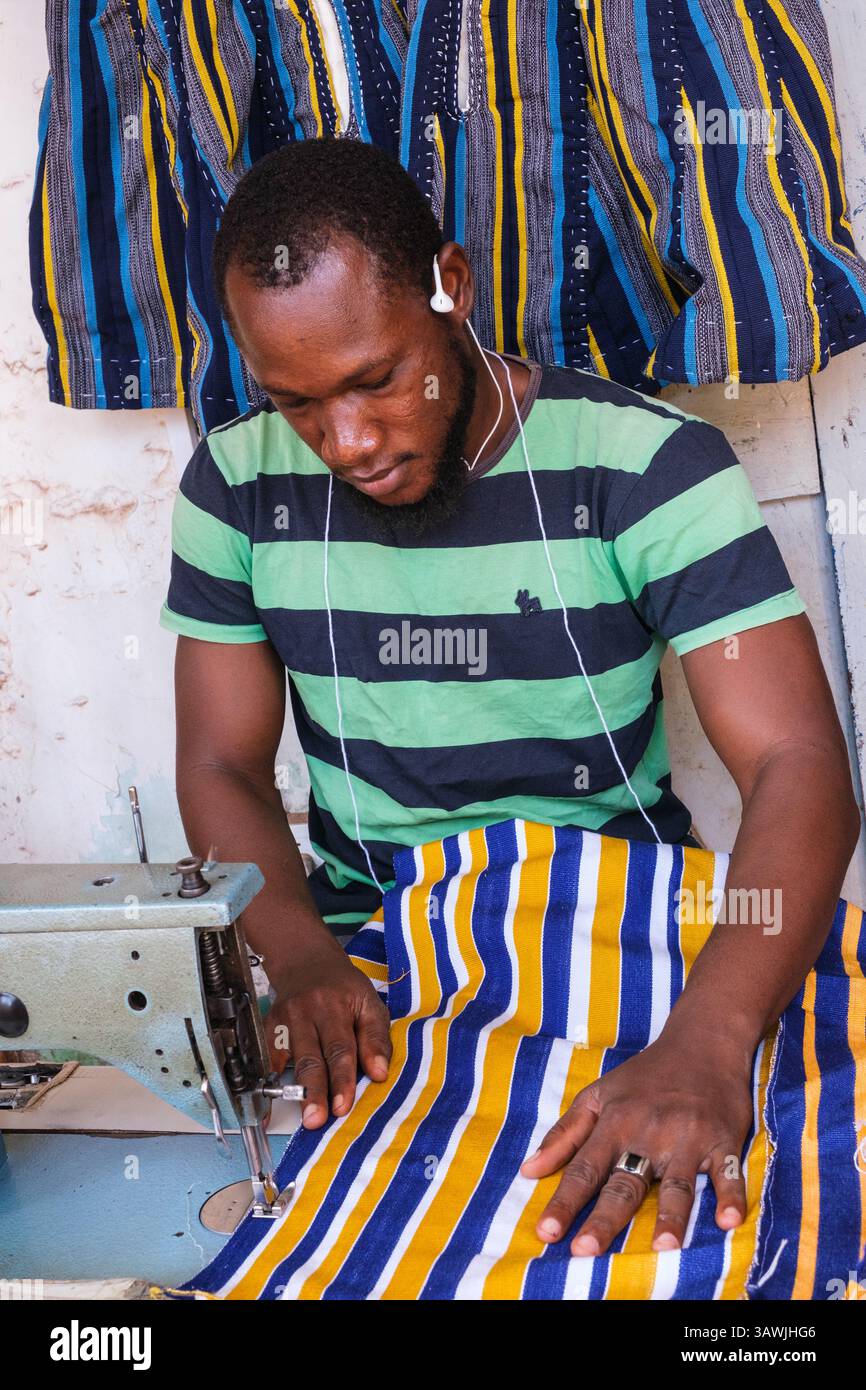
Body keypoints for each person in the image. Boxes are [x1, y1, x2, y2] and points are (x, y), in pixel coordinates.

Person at [161, 137, 859, 1259]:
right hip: (375, 958)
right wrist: (296, 953)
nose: (346, 443)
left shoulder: (644, 466)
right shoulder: (236, 487)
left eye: (375, 380)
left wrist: (709, 1037)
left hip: (616, 932)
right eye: (296, 403)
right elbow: (220, 764)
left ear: (453, 285)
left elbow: (796, 766)